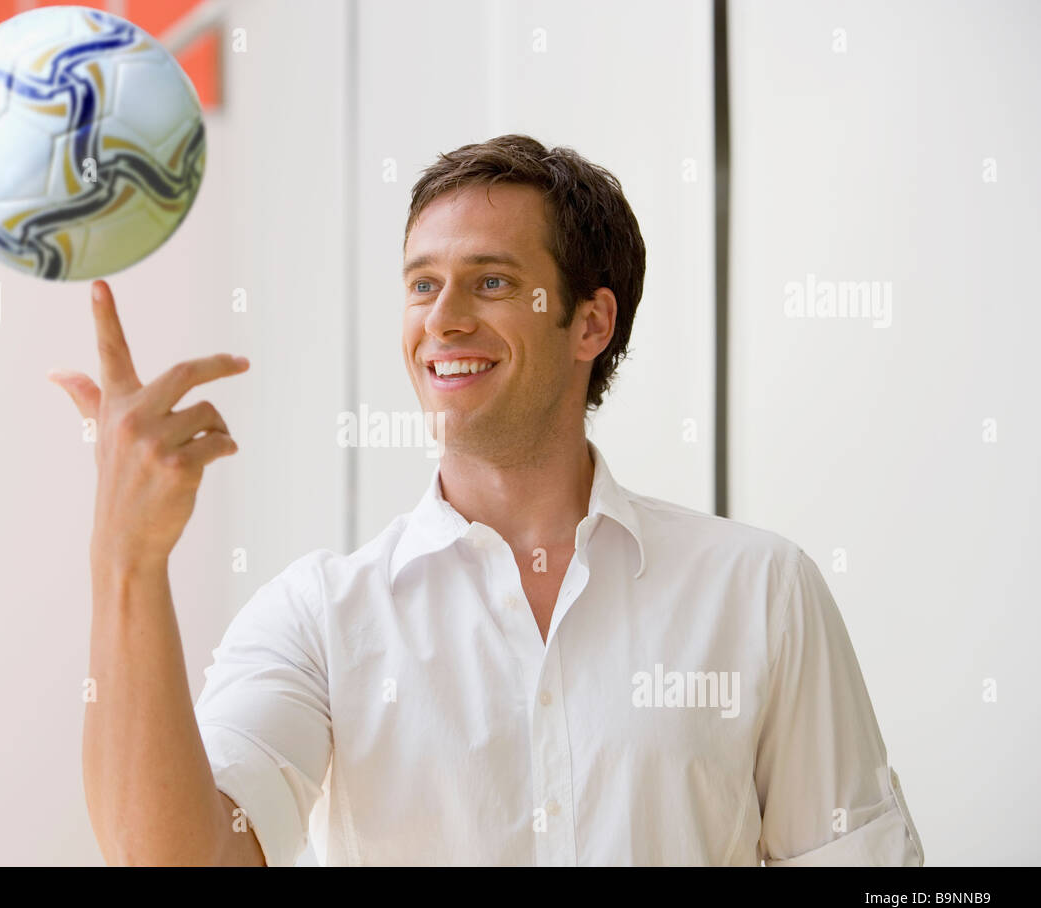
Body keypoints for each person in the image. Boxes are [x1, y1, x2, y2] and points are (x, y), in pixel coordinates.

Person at [49, 134, 923, 866]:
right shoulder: (320, 618)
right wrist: (126, 561)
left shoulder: (760, 590)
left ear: (590, 322)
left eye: (492, 282)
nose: (443, 318)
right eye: (423, 283)